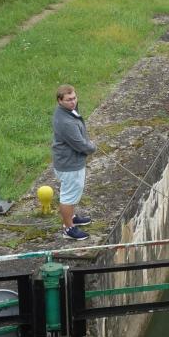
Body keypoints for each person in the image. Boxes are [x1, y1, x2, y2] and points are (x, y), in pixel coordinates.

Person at [52, 85, 97, 240]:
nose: (73, 102)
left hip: (65, 161)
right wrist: (92, 147)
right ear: (60, 101)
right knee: (68, 196)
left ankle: (71, 217)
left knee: (72, 193)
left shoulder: (64, 111)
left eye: (74, 98)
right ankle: (68, 228)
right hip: (70, 164)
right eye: (68, 100)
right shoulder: (66, 122)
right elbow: (80, 144)